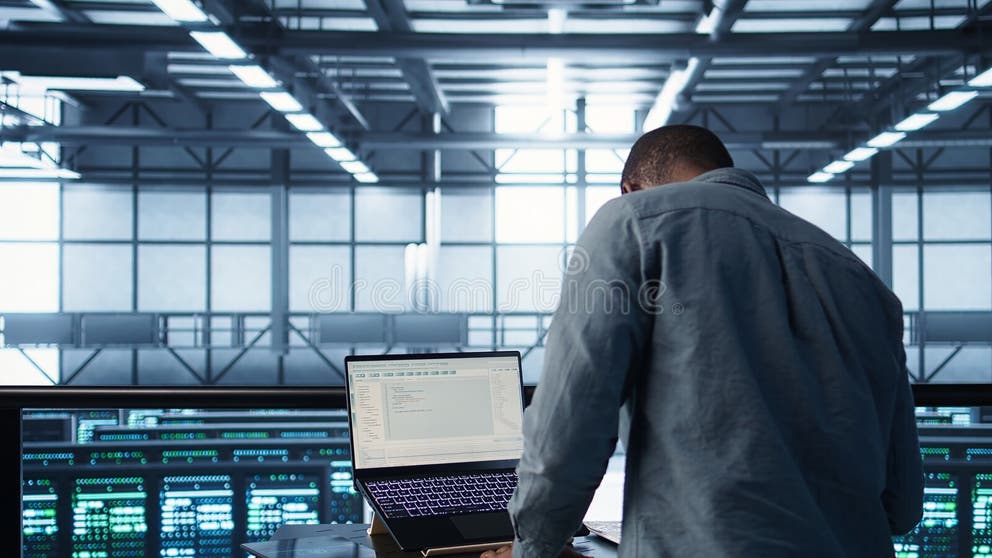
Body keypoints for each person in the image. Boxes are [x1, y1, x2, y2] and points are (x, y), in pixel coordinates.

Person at [483, 125, 923, 558]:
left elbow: (571, 420)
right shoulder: (862, 281)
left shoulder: (634, 222)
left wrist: (534, 547)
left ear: (629, 187)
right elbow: (902, 505)